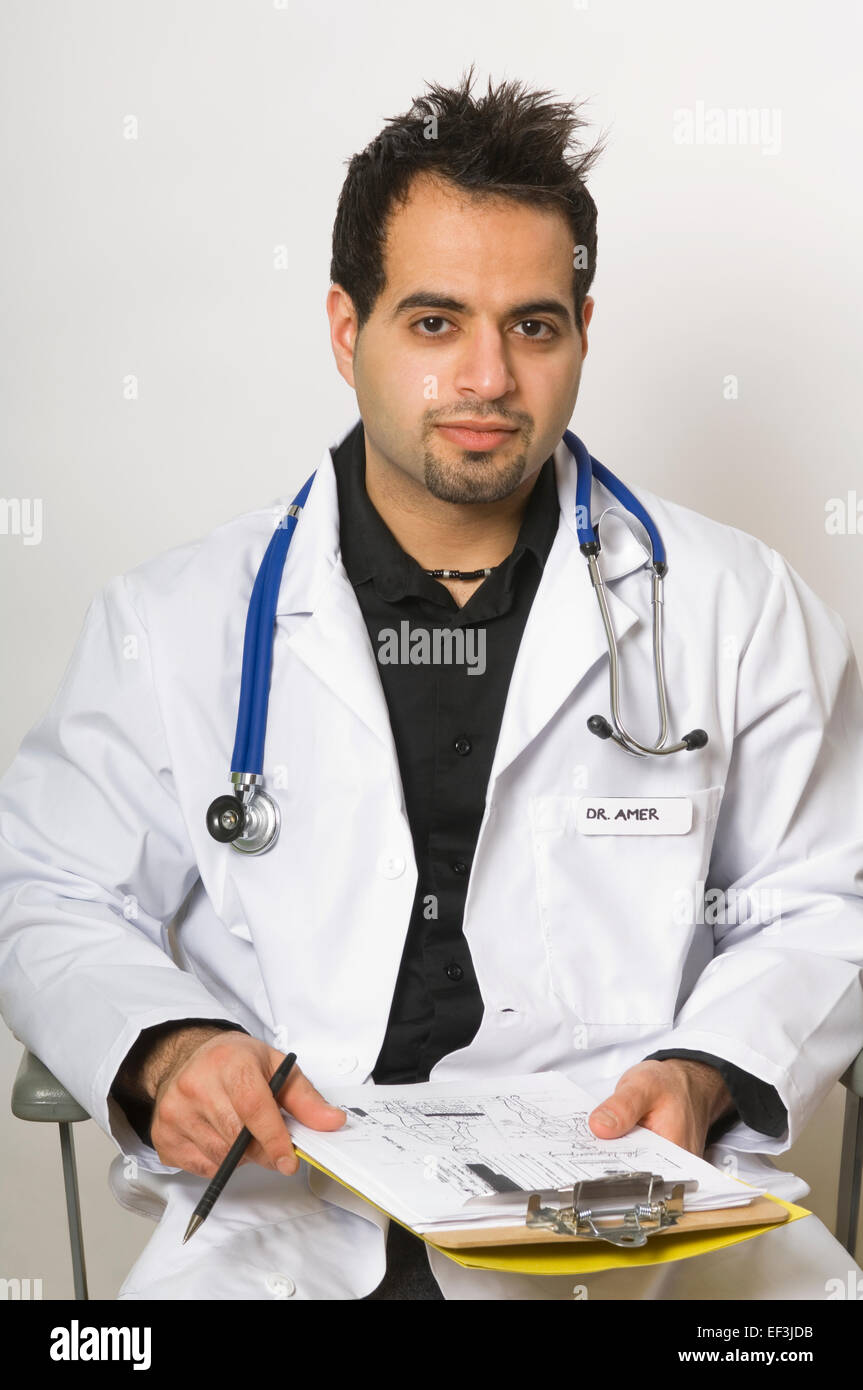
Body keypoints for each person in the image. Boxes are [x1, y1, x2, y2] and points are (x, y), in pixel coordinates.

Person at [1, 68, 862, 1301]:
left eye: (532, 324)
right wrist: (164, 1045)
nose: (486, 379)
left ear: (580, 330)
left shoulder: (734, 606)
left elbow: (816, 899)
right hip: (292, 1202)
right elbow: (50, 887)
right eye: (433, 321)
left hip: (628, 1206)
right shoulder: (176, 622)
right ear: (347, 329)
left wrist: (705, 1070)